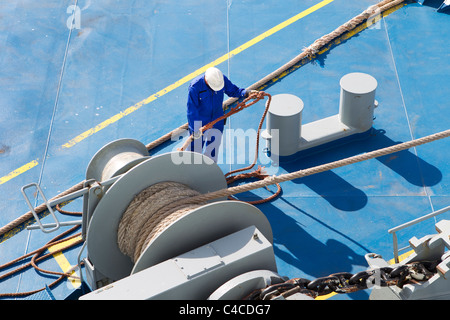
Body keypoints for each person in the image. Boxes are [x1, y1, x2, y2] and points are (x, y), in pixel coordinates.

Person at [186, 67, 255, 161]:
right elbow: (192, 111)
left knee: (213, 148)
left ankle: (210, 167)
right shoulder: (195, 87)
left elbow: (234, 91)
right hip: (199, 122)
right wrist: (196, 130)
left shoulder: (220, 79)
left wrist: (246, 93)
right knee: (195, 150)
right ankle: (191, 169)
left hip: (217, 119)